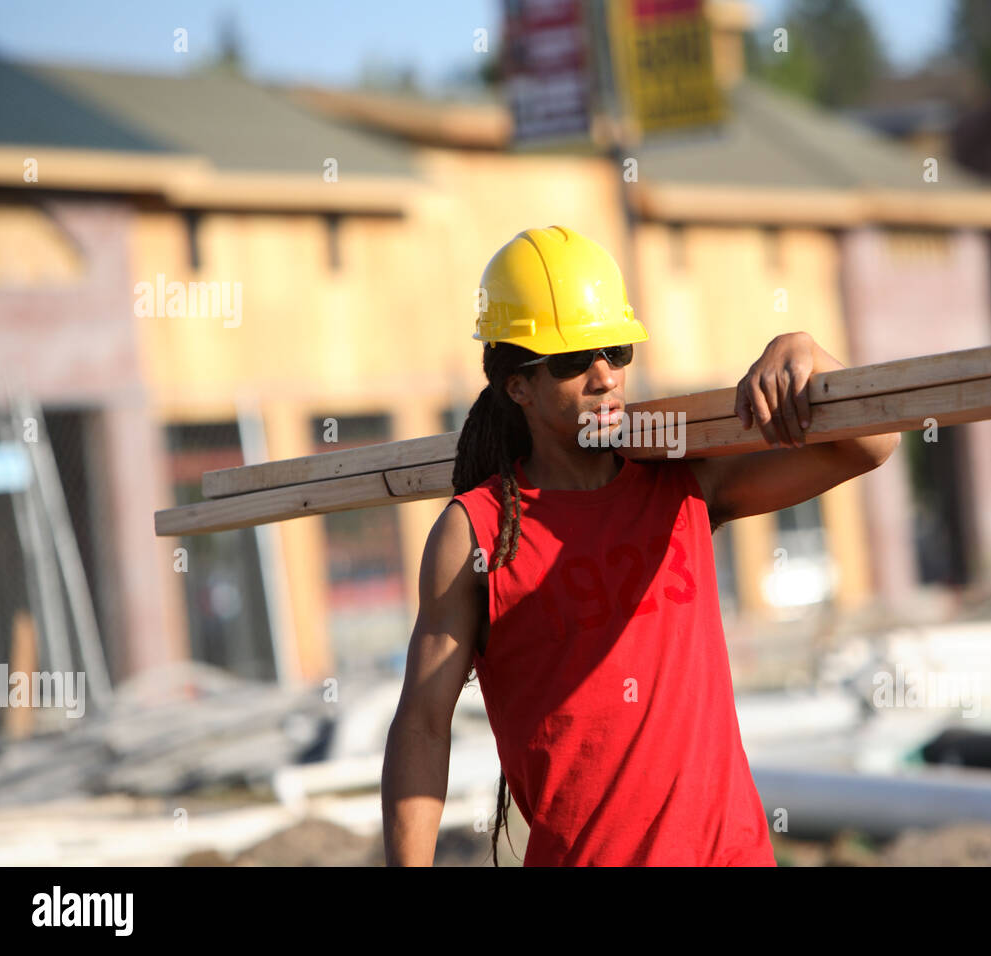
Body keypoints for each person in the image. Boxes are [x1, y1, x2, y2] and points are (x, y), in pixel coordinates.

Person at [382, 225, 899, 866]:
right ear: (517, 385)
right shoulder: (476, 533)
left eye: (615, 350)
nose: (604, 377)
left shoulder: (684, 483)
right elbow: (425, 723)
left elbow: (874, 444)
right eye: (572, 362)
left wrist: (804, 350)